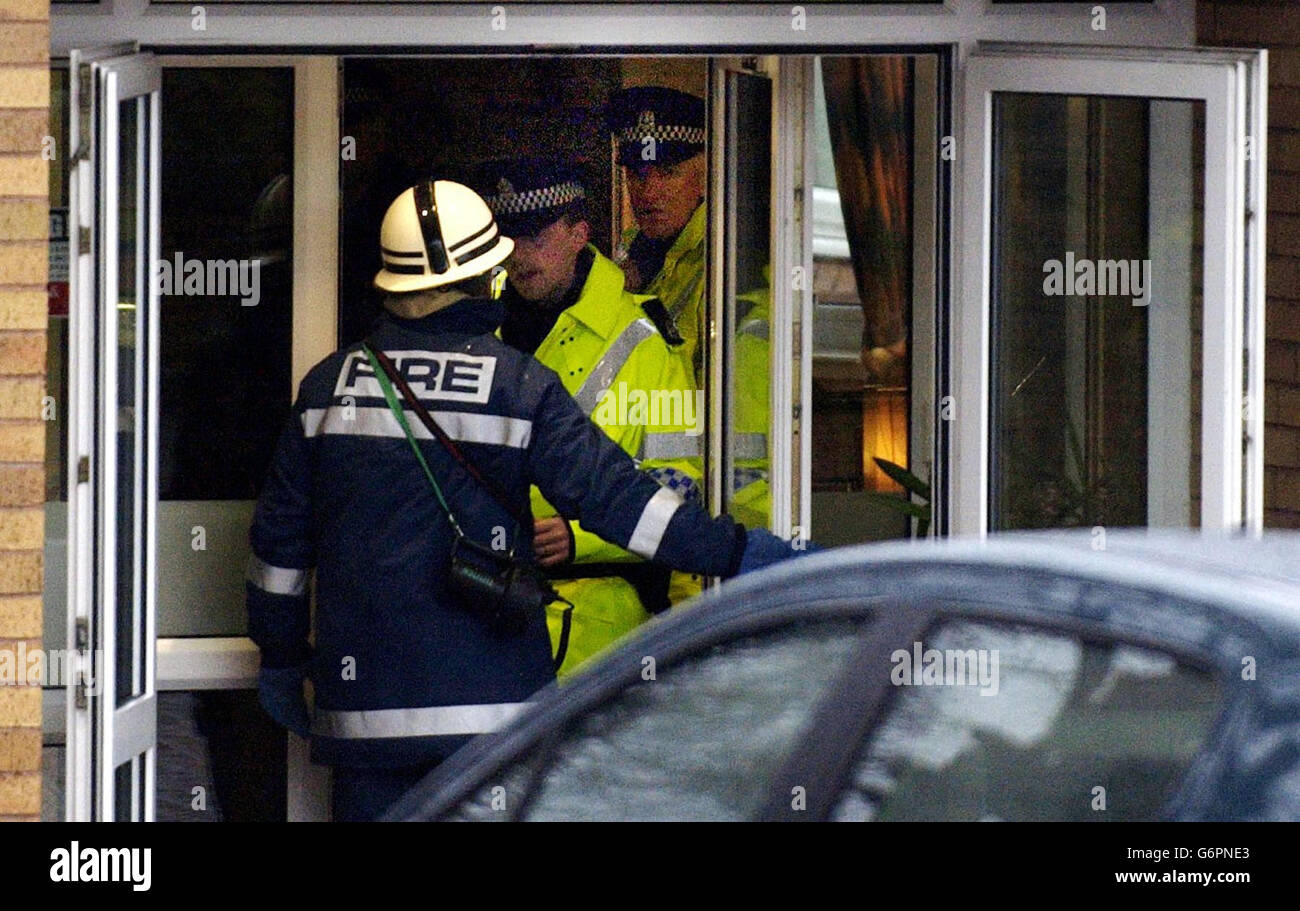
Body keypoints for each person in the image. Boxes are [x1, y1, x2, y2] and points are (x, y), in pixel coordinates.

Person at [246, 179, 804, 821]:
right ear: (488, 279)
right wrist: (746, 552)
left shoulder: (326, 390)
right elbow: (626, 506)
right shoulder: (518, 387)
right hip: (496, 733)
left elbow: (278, 551)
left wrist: (281, 656)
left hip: (366, 721)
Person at [470, 158, 704, 677]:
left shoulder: (644, 342)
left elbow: (681, 486)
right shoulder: (479, 332)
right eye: (507, 237)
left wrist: (580, 537)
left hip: (600, 636)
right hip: (484, 616)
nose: (519, 254)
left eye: (535, 236)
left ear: (580, 232)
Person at [606, 86, 708, 384]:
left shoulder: (722, 262)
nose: (649, 193)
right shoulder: (630, 250)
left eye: (667, 172)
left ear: (704, 176)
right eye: (638, 174)